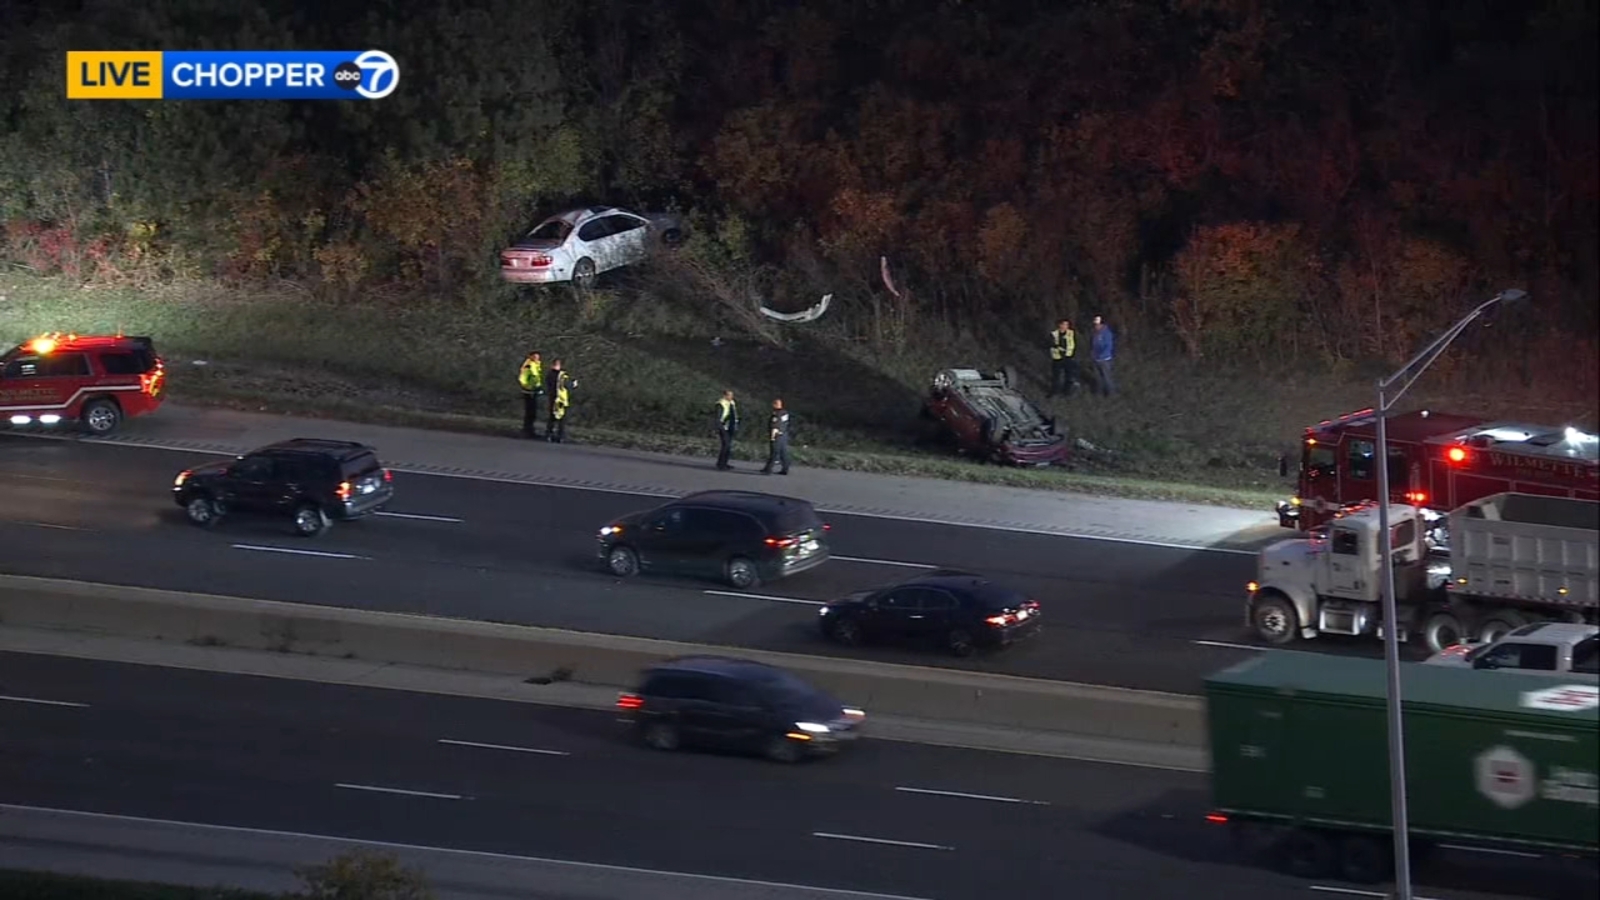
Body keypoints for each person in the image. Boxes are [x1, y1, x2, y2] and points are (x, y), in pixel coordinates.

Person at [517, 350, 545, 438]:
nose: (537, 358)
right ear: (531, 357)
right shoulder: (529, 365)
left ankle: (530, 430)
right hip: (529, 391)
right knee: (529, 412)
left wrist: (538, 387)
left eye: (538, 357)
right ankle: (527, 430)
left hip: (535, 391)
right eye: (535, 357)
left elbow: (536, 378)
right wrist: (527, 387)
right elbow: (522, 378)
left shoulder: (537, 365)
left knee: (533, 412)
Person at [1047, 319, 1078, 397]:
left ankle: (1067, 392)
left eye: (1067, 325)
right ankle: (1054, 392)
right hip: (1057, 358)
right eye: (1063, 324)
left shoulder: (1071, 333)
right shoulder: (1054, 334)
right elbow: (1050, 343)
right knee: (1056, 376)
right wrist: (1057, 347)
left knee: (1069, 376)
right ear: (1059, 325)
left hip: (1068, 357)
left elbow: (1073, 344)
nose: (1065, 327)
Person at [761, 398, 791, 475]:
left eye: (773, 404)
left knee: (774, 452)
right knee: (783, 453)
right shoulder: (785, 413)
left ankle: (768, 470)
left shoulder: (776, 414)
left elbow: (775, 425)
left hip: (777, 435)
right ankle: (785, 469)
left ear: (775, 404)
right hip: (784, 435)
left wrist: (772, 437)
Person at [546, 358, 574, 442]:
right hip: (561, 399)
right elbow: (568, 385)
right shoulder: (562, 375)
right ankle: (560, 435)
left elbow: (548, 384)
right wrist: (573, 384)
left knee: (552, 416)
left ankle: (549, 434)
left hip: (552, 397)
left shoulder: (549, 374)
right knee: (562, 418)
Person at [1090, 315, 1116, 396]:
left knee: (1106, 378)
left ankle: (1111, 394)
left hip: (1104, 359)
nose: (1096, 326)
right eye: (1095, 325)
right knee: (1098, 378)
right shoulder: (1095, 333)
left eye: (1098, 325)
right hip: (1096, 359)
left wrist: (1101, 356)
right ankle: (1099, 393)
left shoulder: (1106, 333)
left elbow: (1108, 346)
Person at [713, 389, 739, 470]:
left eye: (732, 395)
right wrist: (719, 427)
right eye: (729, 395)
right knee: (725, 445)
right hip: (723, 427)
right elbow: (718, 417)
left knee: (728, 446)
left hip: (730, 426)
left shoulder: (732, 403)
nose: (731, 397)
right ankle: (721, 464)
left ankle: (725, 463)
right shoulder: (720, 404)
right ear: (725, 395)